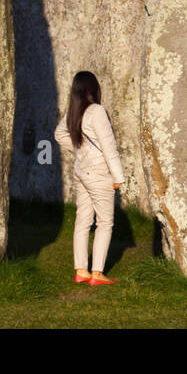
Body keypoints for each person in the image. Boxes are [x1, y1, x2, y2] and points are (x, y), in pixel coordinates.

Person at [54, 71, 125, 285]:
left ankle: (81, 270)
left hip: (81, 171)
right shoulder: (97, 111)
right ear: (94, 89)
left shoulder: (75, 111)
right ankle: (97, 273)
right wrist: (118, 176)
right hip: (98, 173)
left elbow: (59, 134)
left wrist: (79, 150)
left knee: (82, 221)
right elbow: (108, 146)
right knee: (105, 222)